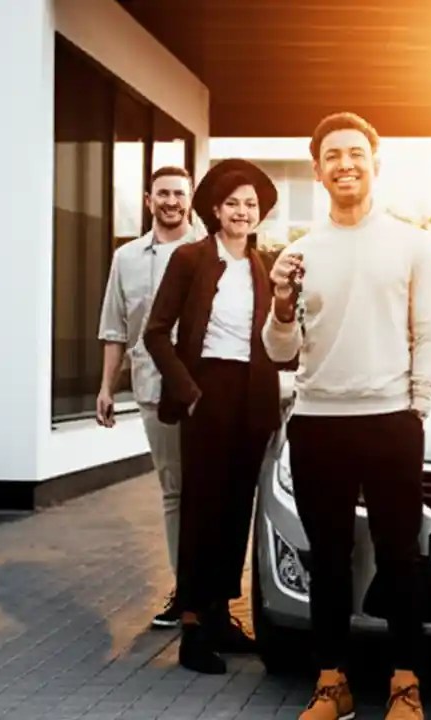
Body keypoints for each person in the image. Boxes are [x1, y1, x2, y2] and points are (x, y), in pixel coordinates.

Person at [263, 112, 431, 720]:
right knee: (329, 558)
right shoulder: (300, 253)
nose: (345, 164)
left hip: (391, 421)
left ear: (374, 163)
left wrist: (416, 408)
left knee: (399, 556)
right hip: (317, 422)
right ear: (318, 171)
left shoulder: (412, 243)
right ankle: (332, 682)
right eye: (333, 155)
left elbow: (428, 332)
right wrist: (281, 303)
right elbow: (280, 351)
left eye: (356, 153)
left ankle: (405, 683)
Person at [143, 158, 284, 675]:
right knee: (202, 510)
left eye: (251, 204)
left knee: (237, 509)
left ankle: (223, 615)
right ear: (216, 210)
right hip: (207, 392)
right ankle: (194, 628)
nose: (243, 212)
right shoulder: (190, 259)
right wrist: (190, 392)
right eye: (233, 204)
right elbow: (156, 332)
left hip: (253, 398)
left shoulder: (263, 264)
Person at [95, 165, 202, 628]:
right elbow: (115, 327)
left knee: (212, 491)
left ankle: (212, 594)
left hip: (206, 391)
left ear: (191, 198)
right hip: (154, 390)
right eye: (163, 193)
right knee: (175, 491)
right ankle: (186, 590)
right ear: (148, 199)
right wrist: (105, 385)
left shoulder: (211, 251)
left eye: (179, 193)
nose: (171, 201)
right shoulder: (127, 258)